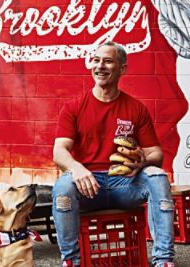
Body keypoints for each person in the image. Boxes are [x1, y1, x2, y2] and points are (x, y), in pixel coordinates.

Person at [52, 41, 175, 267]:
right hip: (88, 185)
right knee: (62, 187)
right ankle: (71, 260)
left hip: (125, 183)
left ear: (122, 69)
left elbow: (156, 153)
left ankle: (164, 260)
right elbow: (59, 152)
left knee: (158, 177)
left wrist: (143, 161)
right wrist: (77, 169)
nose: (100, 66)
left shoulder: (136, 108)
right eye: (96, 60)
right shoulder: (74, 107)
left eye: (108, 61)